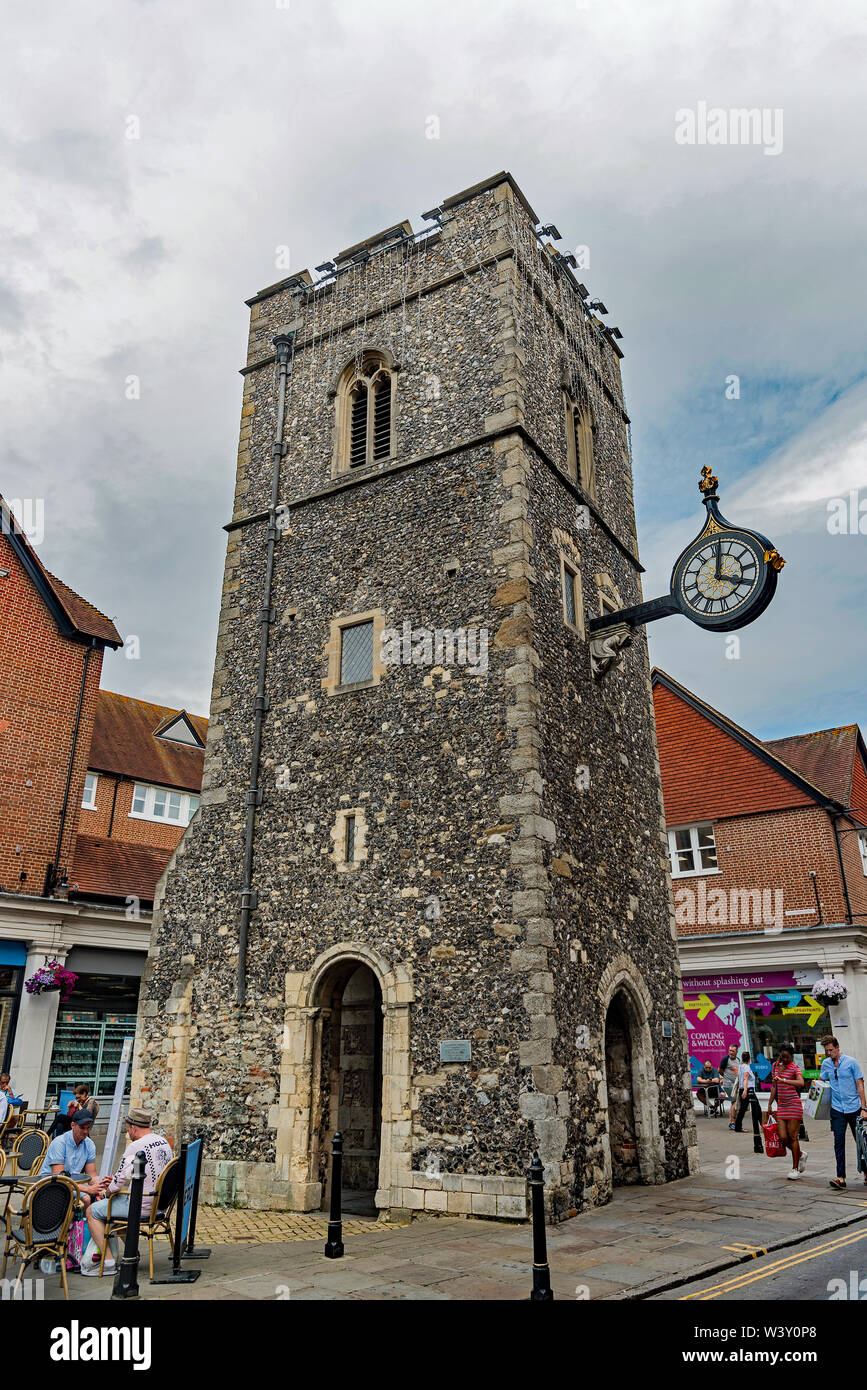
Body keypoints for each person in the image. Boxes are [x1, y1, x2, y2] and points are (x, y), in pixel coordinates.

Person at [81, 1108, 173, 1277]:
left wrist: (105, 1193)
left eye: (127, 1128)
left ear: (133, 1127)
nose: (128, 1132)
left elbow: (116, 1186)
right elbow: (131, 1173)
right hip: (160, 1206)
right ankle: (132, 1254)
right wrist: (116, 1178)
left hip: (140, 1206)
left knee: (93, 1211)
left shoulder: (136, 1146)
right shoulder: (163, 1142)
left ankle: (108, 1261)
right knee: (115, 1209)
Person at [819, 1034, 867, 1190]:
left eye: (831, 1050)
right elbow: (822, 1081)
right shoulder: (826, 1064)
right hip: (837, 1109)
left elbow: (860, 1085)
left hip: (855, 1108)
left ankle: (866, 1173)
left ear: (837, 1047)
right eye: (826, 1051)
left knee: (861, 1142)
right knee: (838, 1143)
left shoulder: (851, 1063)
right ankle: (841, 1177)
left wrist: (864, 1108)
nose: (828, 1053)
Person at [767, 1046, 806, 1179]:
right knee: (782, 1136)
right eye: (783, 1056)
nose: (785, 1059)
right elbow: (774, 1086)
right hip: (782, 1106)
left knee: (793, 1136)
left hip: (794, 1105)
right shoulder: (775, 1067)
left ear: (792, 1057)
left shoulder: (794, 1068)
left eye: (787, 1057)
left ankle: (795, 1169)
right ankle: (800, 1154)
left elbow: (801, 1083)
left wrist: (784, 1080)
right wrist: (770, 1103)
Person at [38, 1108, 99, 1187]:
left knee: (101, 1194)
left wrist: (102, 1184)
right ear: (72, 1125)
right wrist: (87, 1190)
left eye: (88, 1128)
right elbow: (60, 1178)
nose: (86, 1132)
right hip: (50, 1185)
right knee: (87, 1198)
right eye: (82, 1128)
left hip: (72, 1184)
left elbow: (92, 1176)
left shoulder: (89, 1144)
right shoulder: (59, 1142)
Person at [732, 1051, 762, 1141]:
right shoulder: (746, 1067)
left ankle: (738, 1126)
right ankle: (762, 1126)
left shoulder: (740, 1066)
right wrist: (745, 1090)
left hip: (744, 1089)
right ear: (749, 1059)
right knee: (757, 1108)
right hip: (748, 1090)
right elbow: (745, 1078)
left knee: (743, 1109)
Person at [719, 1044, 741, 1127]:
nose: (731, 1052)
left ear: (736, 1051)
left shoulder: (738, 1060)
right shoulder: (725, 1059)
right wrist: (725, 1078)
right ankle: (732, 1122)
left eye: (733, 1051)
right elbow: (719, 1070)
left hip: (735, 1084)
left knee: (734, 1102)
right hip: (728, 1084)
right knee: (734, 1102)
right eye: (730, 1050)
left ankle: (733, 1121)